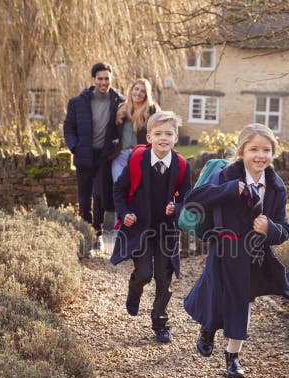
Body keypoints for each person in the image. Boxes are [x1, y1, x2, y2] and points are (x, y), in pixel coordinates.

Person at [182, 123, 289, 378]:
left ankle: (233, 356)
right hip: (223, 248)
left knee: (242, 301)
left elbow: (284, 229)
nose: (260, 155)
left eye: (266, 150)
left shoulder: (276, 187)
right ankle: (208, 327)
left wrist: (270, 228)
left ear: (273, 153)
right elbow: (192, 200)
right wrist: (228, 189)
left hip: (253, 254)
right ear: (242, 152)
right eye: (254, 149)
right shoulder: (226, 176)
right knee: (215, 294)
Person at [110, 111, 192, 343]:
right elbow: (119, 189)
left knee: (164, 278)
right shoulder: (137, 160)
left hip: (167, 230)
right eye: (158, 134)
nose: (163, 138)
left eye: (168, 133)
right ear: (149, 137)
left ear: (176, 137)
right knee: (145, 273)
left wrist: (176, 208)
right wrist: (125, 213)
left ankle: (160, 322)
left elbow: (188, 197)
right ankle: (135, 288)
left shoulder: (182, 165)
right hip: (142, 228)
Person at [63, 62, 124, 251]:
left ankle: (97, 234)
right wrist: (75, 147)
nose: (104, 82)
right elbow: (68, 127)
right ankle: (85, 233)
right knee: (84, 197)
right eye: (100, 79)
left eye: (107, 79)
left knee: (100, 197)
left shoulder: (119, 102)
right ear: (93, 79)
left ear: (111, 79)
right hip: (84, 155)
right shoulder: (77, 102)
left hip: (105, 157)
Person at [111, 78, 160, 232]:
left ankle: (136, 234)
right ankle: (119, 233)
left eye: (142, 91)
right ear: (131, 90)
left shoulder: (152, 111)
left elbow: (159, 134)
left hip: (140, 159)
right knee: (120, 193)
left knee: (138, 195)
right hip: (120, 158)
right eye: (136, 89)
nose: (138, 93)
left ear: (146, 94)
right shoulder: (121, 110)